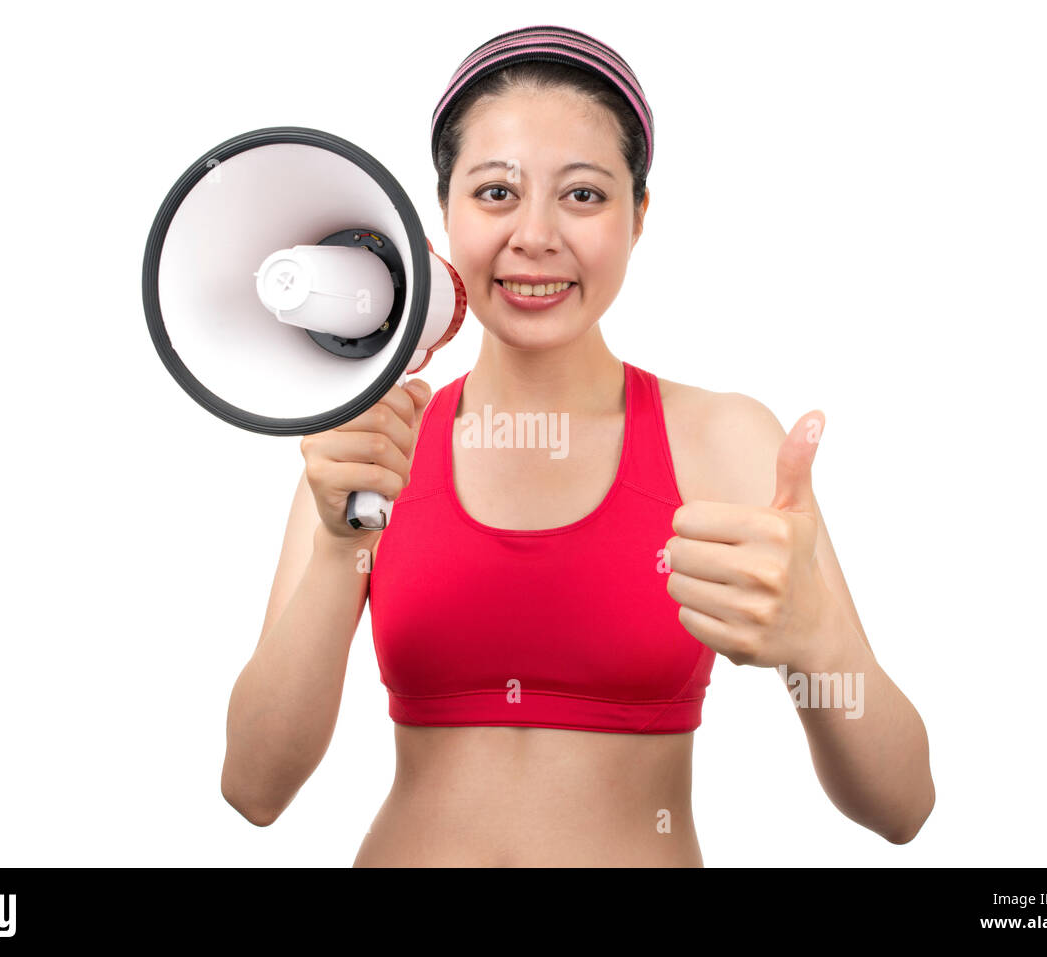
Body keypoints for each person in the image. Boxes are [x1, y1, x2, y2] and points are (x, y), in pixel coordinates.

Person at [221, 25, 935, 866]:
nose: (535, 236)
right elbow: (255, 787)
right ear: (443, 211)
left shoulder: (722, 443)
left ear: (639, 216)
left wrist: (821, 642)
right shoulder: (368, 447)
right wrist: (342, 545)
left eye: (584, 196)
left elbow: (903, 806)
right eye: (495, 193)